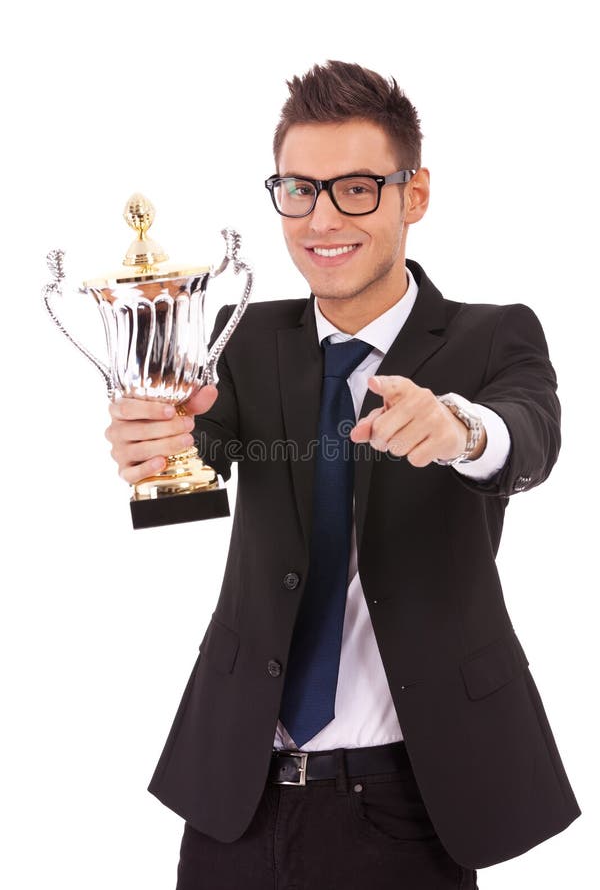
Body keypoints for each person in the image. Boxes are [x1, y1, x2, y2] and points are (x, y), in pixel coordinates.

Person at [105, 61, 581, 889]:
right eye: (300, 189)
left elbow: (530, 439)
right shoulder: (242, 338)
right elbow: (196, 464)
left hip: (411, 802)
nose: (323, 218)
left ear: (415, 194)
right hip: (235, 794)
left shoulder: (493, 335)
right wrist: (155, 444)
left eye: (357, 188)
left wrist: (460, 428)